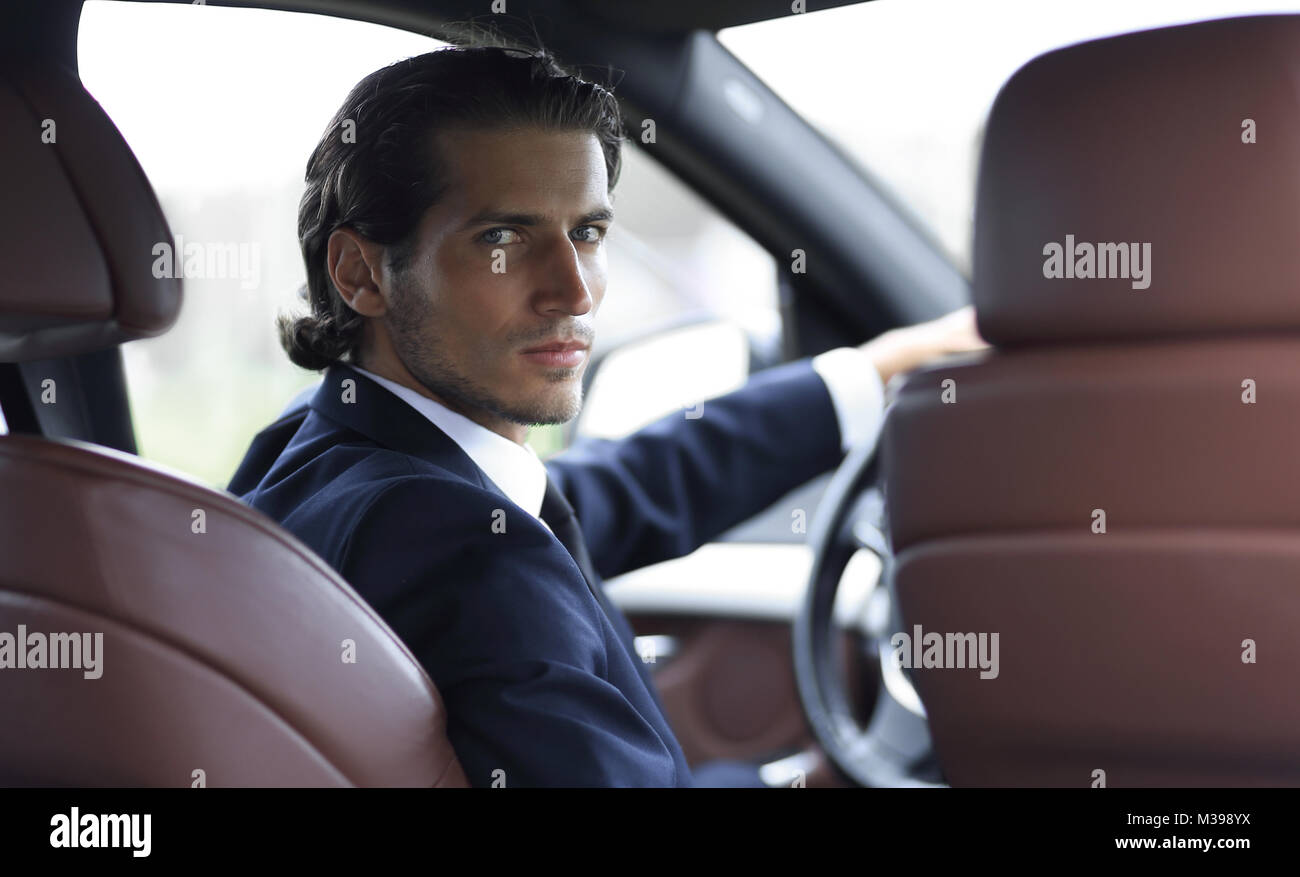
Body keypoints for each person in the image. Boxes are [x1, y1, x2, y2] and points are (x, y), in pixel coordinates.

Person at [228, 45, 986, 787]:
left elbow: (603, 492)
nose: (575, 290)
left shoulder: (320, 448)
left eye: (587, 232)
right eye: (504, 238)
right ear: (361, 273)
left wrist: (870, 375)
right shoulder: (472, 557)